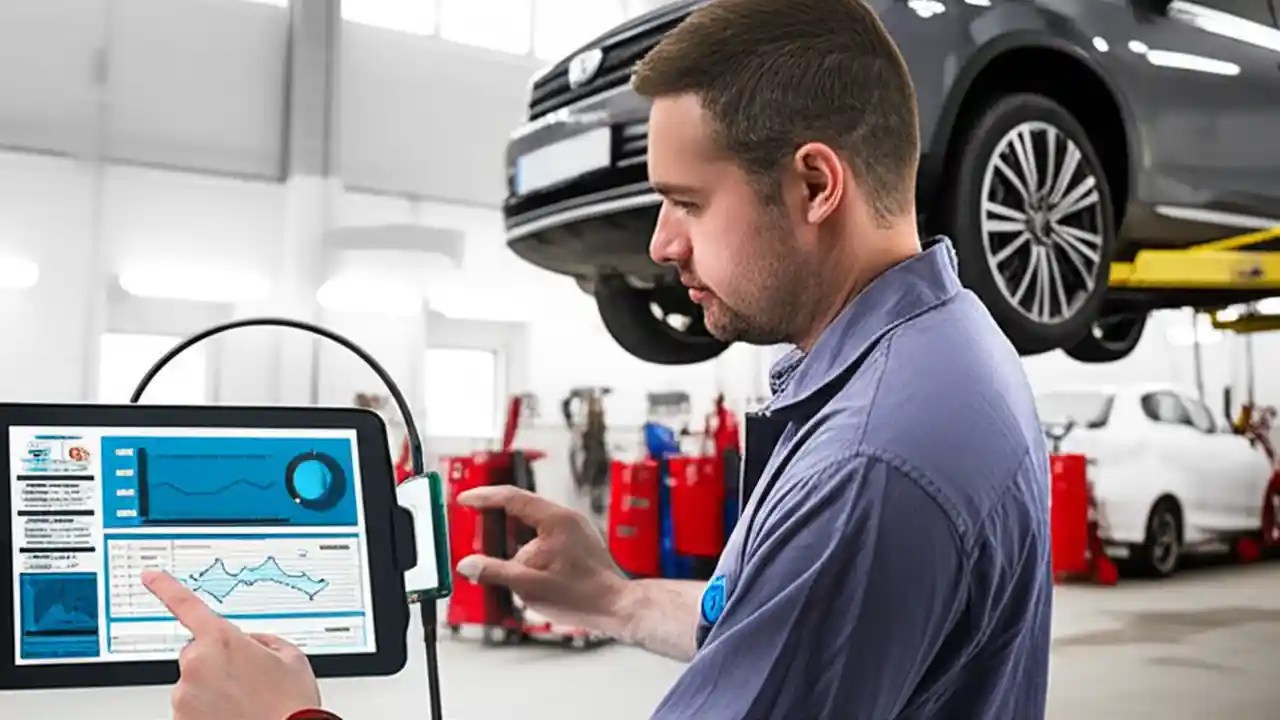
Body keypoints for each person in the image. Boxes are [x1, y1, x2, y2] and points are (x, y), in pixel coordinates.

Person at [141, 0, 1053, 717]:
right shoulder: (951, 343)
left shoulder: (872, 459)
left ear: (816, 185)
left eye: (687, 203)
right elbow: (788, 635)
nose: (660, 244)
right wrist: (614, 600)